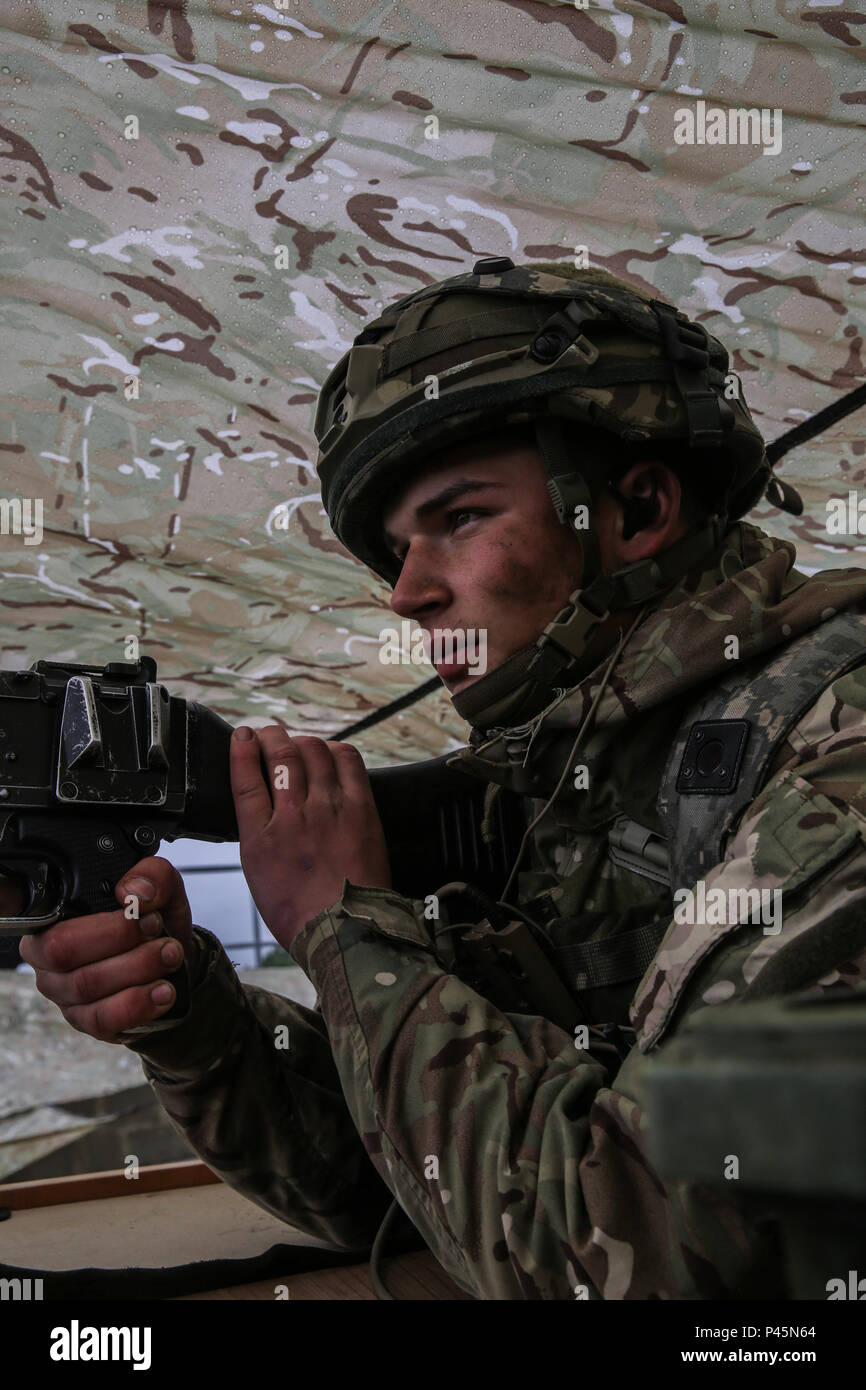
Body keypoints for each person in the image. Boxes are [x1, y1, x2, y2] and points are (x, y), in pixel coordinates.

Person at [13, 260, 866, 1299]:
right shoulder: (576, 780)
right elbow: (410, 1187)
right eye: (395, 552)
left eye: (457, 517)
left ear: (634, 510)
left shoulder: (831, 755)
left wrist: (345, 924)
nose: (409, 594)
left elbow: (630, 1257)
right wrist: (194, 1021)